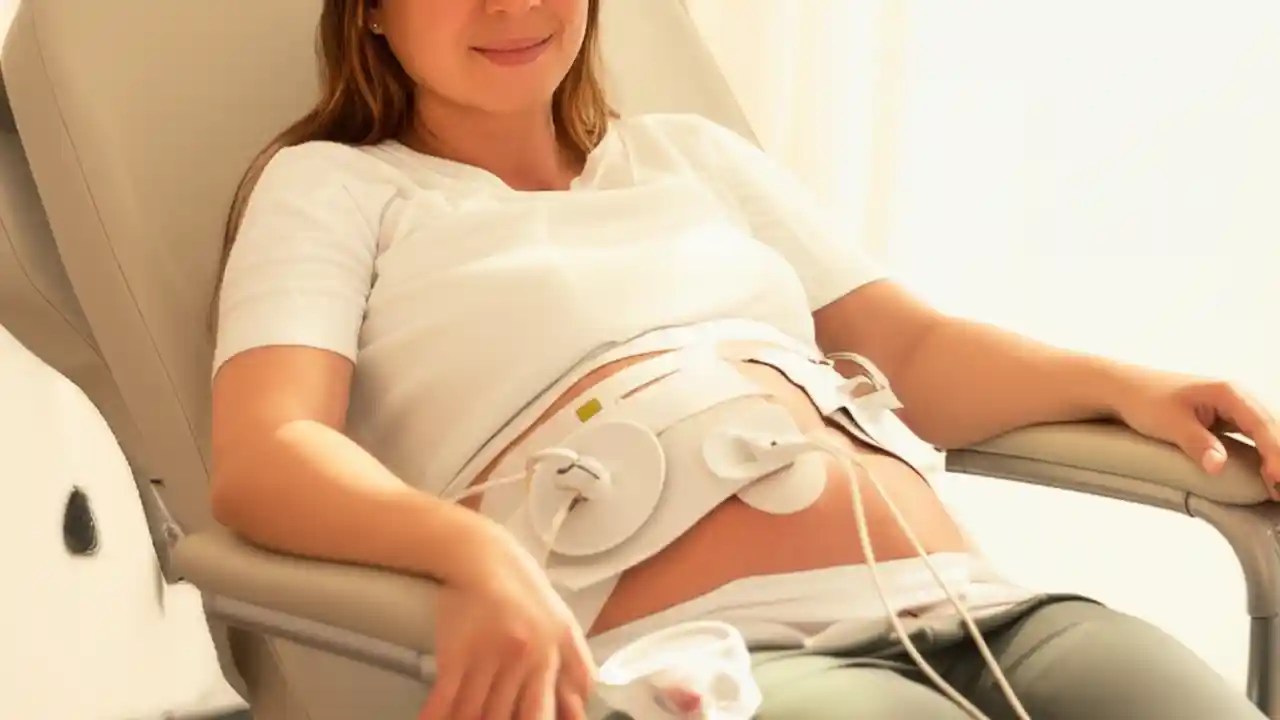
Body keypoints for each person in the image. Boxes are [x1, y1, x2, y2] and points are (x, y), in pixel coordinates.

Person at [207, 1, 1280, 718]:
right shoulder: (335, 188)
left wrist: (1123, 387)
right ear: (371, 12)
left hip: (968, 608)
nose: (510, 2)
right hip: (720, 664)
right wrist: (475, 558)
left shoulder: (689, 154)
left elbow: (913, 351)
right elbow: (269, 449)